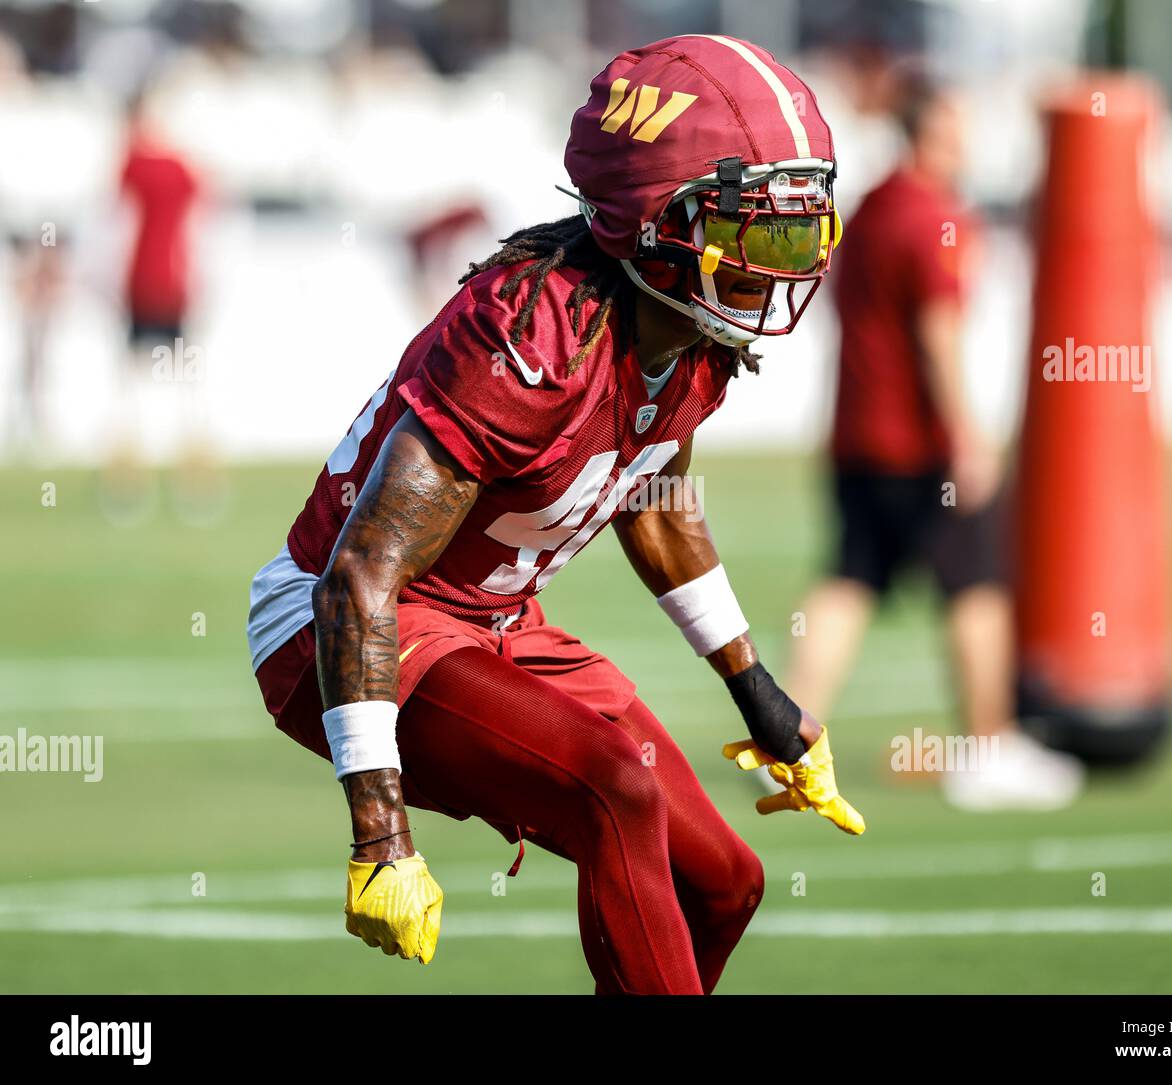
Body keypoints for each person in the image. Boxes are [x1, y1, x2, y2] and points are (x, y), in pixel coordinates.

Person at [247, 35, 863, 996]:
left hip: (495, 624)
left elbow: (656, 509)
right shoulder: (532, 334)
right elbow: (358, 577)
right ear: (654, 219)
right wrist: (380, 836)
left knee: (726, 881)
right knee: (612, 787)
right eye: (756, 229)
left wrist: (762, 696)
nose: (780, 263)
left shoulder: (688, 334)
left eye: (799, 231)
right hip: (343, 625)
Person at [784, 72, 1082, 811]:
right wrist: (968, 436)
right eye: (957, 127)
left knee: (850, 582)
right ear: (930, 133)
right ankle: (991, 746)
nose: (968, 142)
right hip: (917, 444)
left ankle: (782, 742)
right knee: (979, 588)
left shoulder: (871, 207)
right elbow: (937, 335)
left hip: (857, 431)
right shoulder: (933, 217)